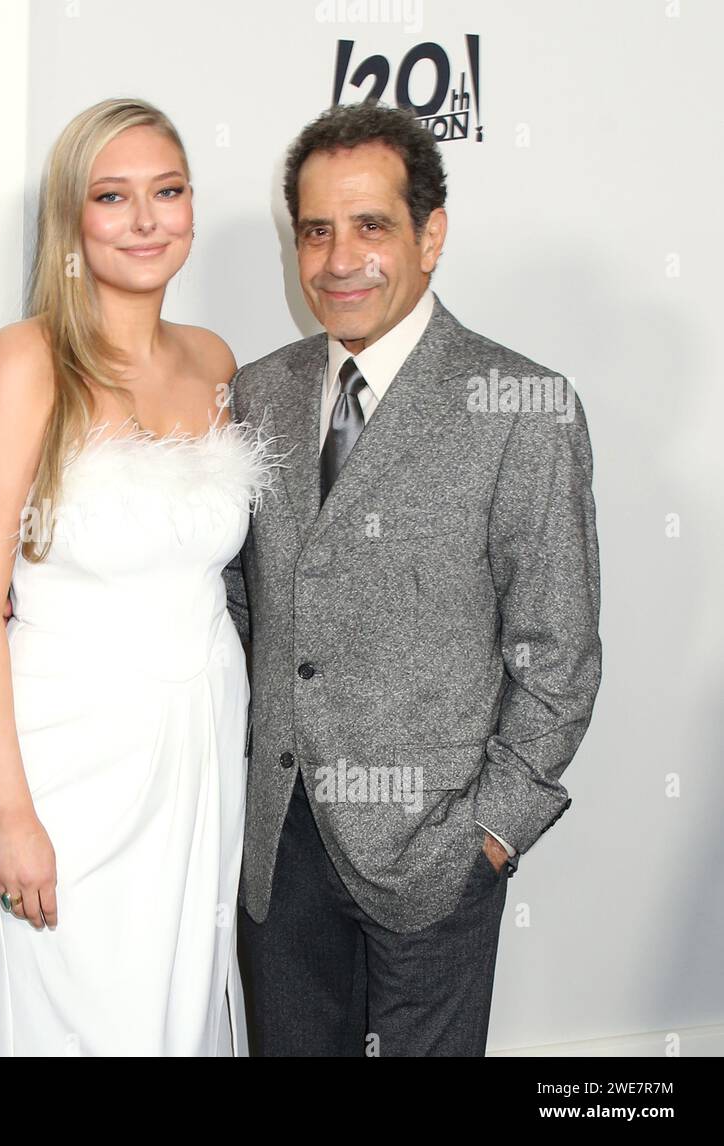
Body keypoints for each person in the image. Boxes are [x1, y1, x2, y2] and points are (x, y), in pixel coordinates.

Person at [226, 100, 602, 1056]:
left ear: (431, 236)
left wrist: (489, 837)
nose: (338, 259)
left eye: (370, 226)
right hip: (279, 854)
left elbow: (557, 652)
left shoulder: (522, 406)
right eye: (316, 231)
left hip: (436, 856)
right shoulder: (259, 393)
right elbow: (240, 598)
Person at [0, 98, 278, 1056]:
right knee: (86, 1018)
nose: (145, 220)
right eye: (112, 196)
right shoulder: (24, 363)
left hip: (204, 736)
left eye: (167, 192)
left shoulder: (214, 361)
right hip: (68, 759)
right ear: (71, 221)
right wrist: (11, 812)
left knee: (186, 1009)